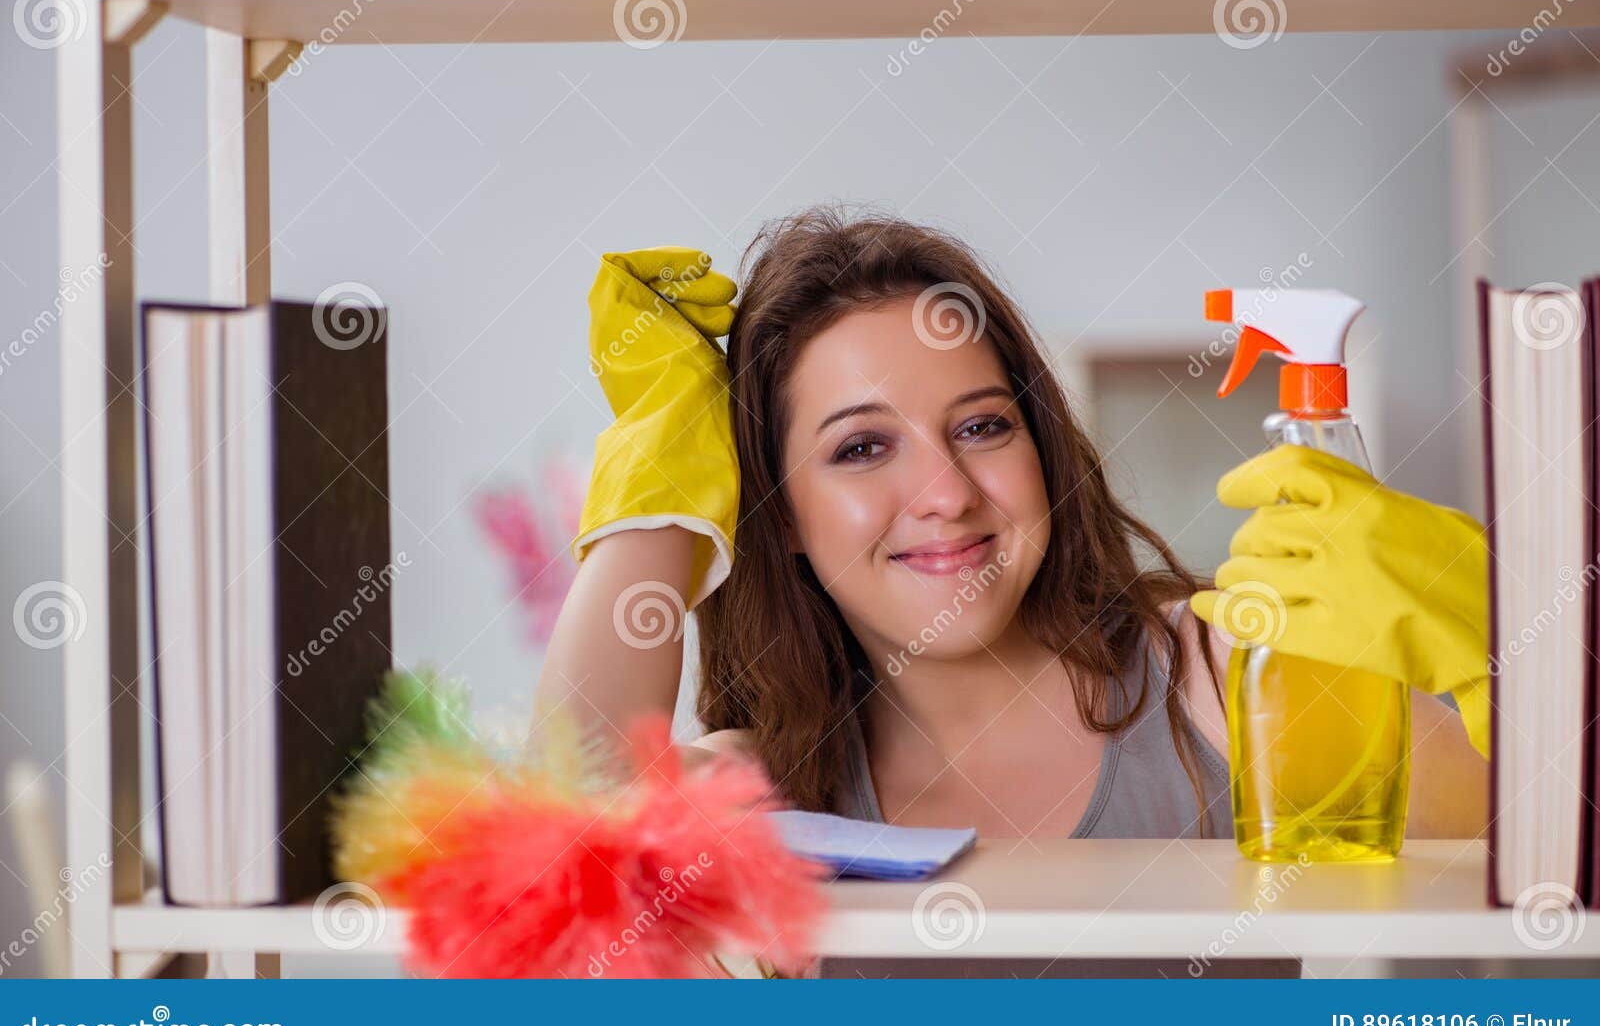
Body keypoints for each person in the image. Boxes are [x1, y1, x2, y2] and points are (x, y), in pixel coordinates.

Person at [538, 204, 1487, 849]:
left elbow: (1547, 848)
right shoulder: (764, 790)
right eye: (862, 448)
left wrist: (1504, 647)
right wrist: (660, 479)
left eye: (983, 426)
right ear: (776, 509)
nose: (946, 493)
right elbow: (552, 883)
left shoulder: (1223, 679)